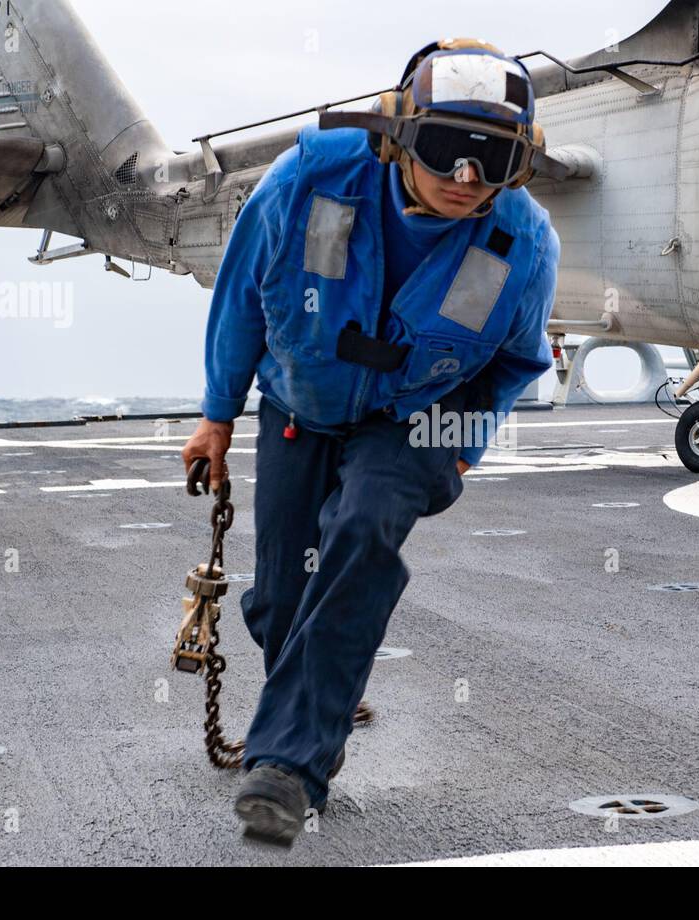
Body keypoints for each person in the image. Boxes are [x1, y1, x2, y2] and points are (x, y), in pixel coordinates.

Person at [181, 38, 562, 846]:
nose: (465, 178)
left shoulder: (521, 246)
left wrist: (460, 447)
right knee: (285, 597)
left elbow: (518, 362)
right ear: (397, 136)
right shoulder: (308, 181)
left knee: (363, 526)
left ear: (519, 164)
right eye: (446, 149)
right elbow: (244, 295)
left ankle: (288, 768)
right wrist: (218, 414)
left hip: (419, 416)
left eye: (490, 158)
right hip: (299, 403)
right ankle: (320, 679)